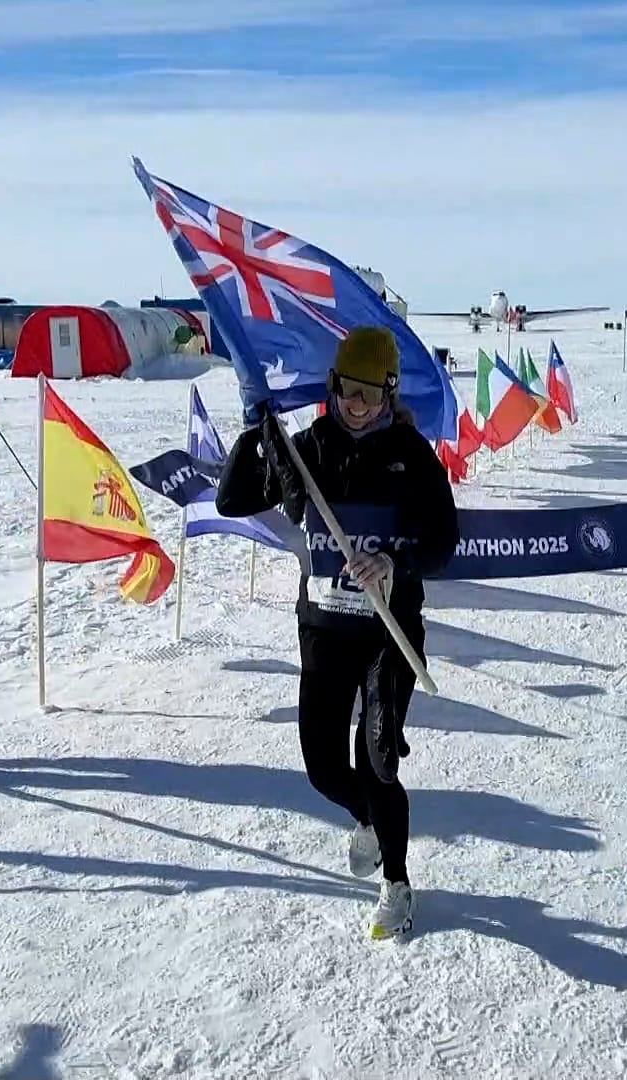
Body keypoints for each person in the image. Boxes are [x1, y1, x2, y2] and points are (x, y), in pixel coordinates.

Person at [215, 326, 459, 938]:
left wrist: (394, 562)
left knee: (377, 761)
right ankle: (367, 819)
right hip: (325, 629)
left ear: (390, 393)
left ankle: (396, 884)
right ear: (332, 385)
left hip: (387, 633)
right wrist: (256, 431)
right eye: (347, 390)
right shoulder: (311, 448)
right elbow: (232, 500)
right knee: (324, 769)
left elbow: (443, 542)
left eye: (370, 394)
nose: (356, 404)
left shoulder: (411, 454)